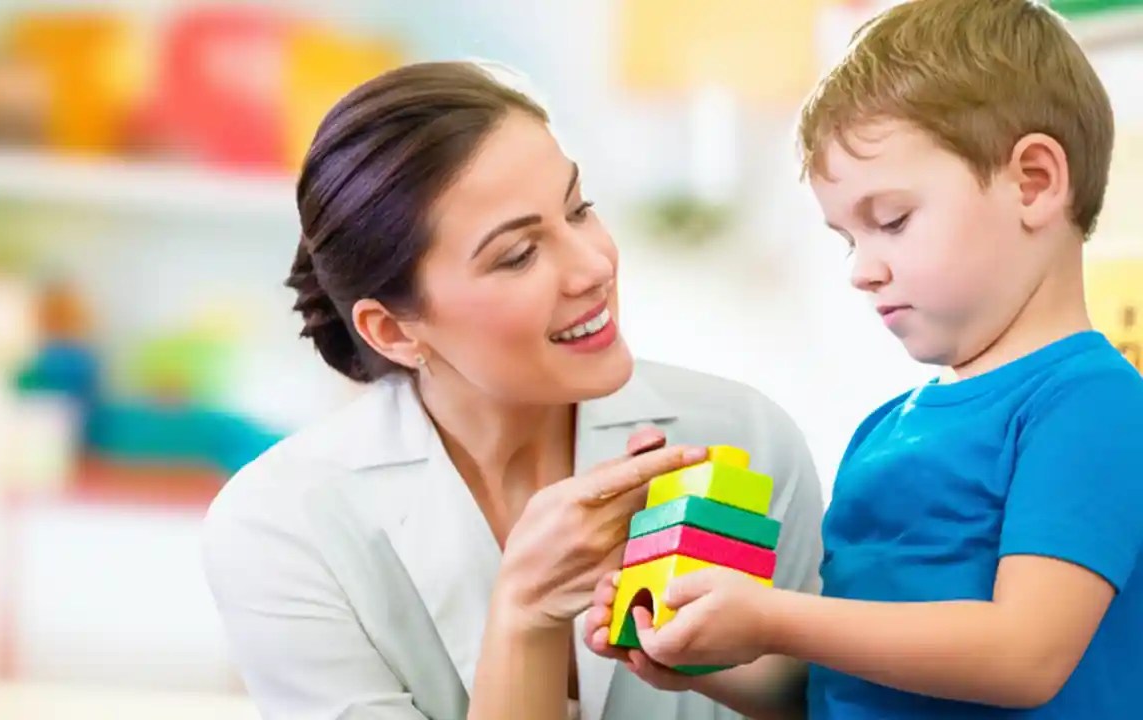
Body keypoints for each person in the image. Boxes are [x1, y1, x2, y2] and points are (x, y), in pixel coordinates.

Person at [200, 61, 825, 720]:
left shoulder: (744, 437)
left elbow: (828, 702)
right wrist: (527, 610)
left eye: (578, 208)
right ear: (393, 330)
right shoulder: (282, 528)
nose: (594, 266)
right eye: (519, 255)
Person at [584, 1, 1143, 718]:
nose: (861, 270)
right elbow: (833, 684)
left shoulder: (1091, 403)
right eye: (848, 239)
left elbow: (1023, 654)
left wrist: (770, 616)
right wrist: (700, 659)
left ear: (1033, 181)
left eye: (891, 222)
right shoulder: (885, 430)